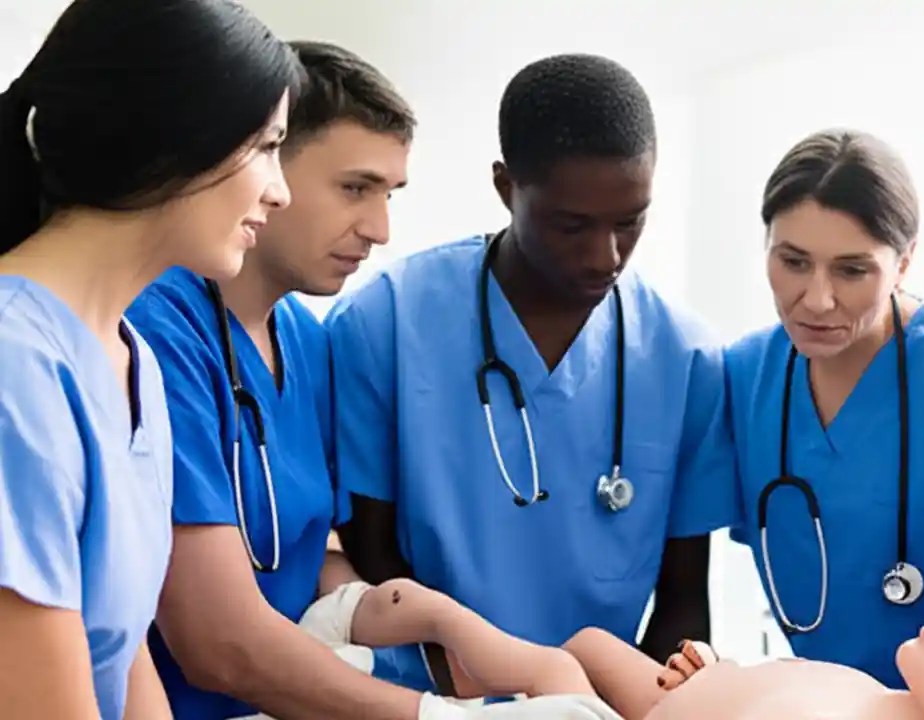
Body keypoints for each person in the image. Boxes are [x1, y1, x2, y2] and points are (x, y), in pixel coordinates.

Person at [327, 52, 736, 688]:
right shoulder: (386, 322)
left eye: (630, 223)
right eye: (572, 225)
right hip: (428, 694)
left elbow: (684, 599)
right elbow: (371, 558)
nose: (607, 256)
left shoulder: (685, 359)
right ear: (506, 187)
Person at [124, 41, 438, 720]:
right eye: (355, 188)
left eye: (390, 194)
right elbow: (219, 644)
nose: (380, 229)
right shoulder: (155, 327)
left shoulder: (309, 340)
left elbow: (315, 554)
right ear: (263, 163)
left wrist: (399, 636)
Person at [0, 0, 296, 717]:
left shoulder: (136, 360)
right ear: (174, 132)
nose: (281, 190)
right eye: (266, 146)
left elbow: (122, 647)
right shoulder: (15, 370)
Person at [723, 129, 924, 688]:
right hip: (813, 702)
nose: (817, 299)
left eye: (852, 270)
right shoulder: (744, 377)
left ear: (903, 263)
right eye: (793, 261)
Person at [561, 595, 924, 720]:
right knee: (588, 644)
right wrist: (720, 678)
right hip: (678, 696)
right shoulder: (884, 699)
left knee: (552, 669)